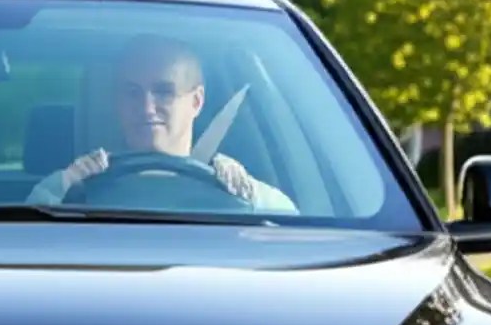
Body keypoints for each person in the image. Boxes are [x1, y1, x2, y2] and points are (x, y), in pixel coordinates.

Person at [26, 34, 297, 213]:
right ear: (117, 102)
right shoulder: (78, 190)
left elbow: (291, 227)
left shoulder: (233, 189)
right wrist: (63, 185)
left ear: (196, 101)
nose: (146, 108)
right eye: (133, 93)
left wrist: (250, 195)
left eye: (164, 92)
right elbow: (25, 238)